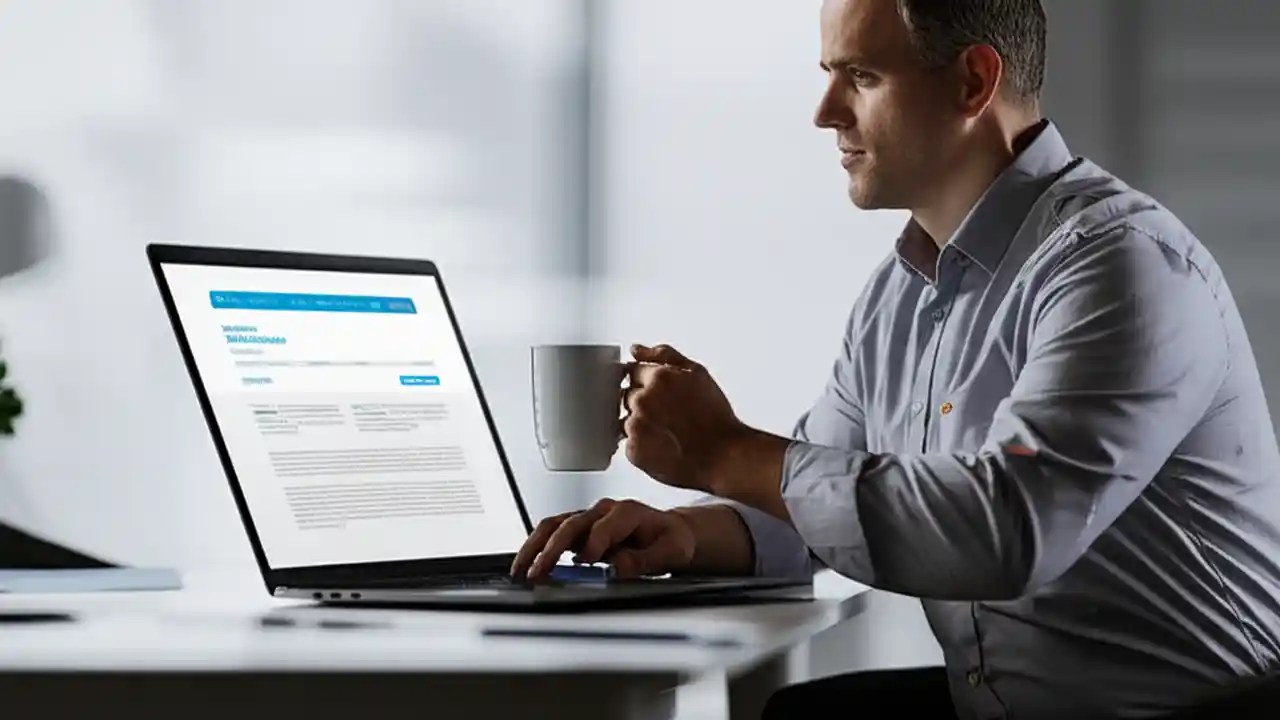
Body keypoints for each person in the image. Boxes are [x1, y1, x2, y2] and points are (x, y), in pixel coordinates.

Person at [510, 0, 1280, 717]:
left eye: (862, 77)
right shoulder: (900, 295)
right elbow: (816, 497)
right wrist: (691, 534)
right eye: (829, 77)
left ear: (974, 80)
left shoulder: (1119, 264)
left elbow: (1006, 530)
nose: (824, 113)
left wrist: (722, 449)